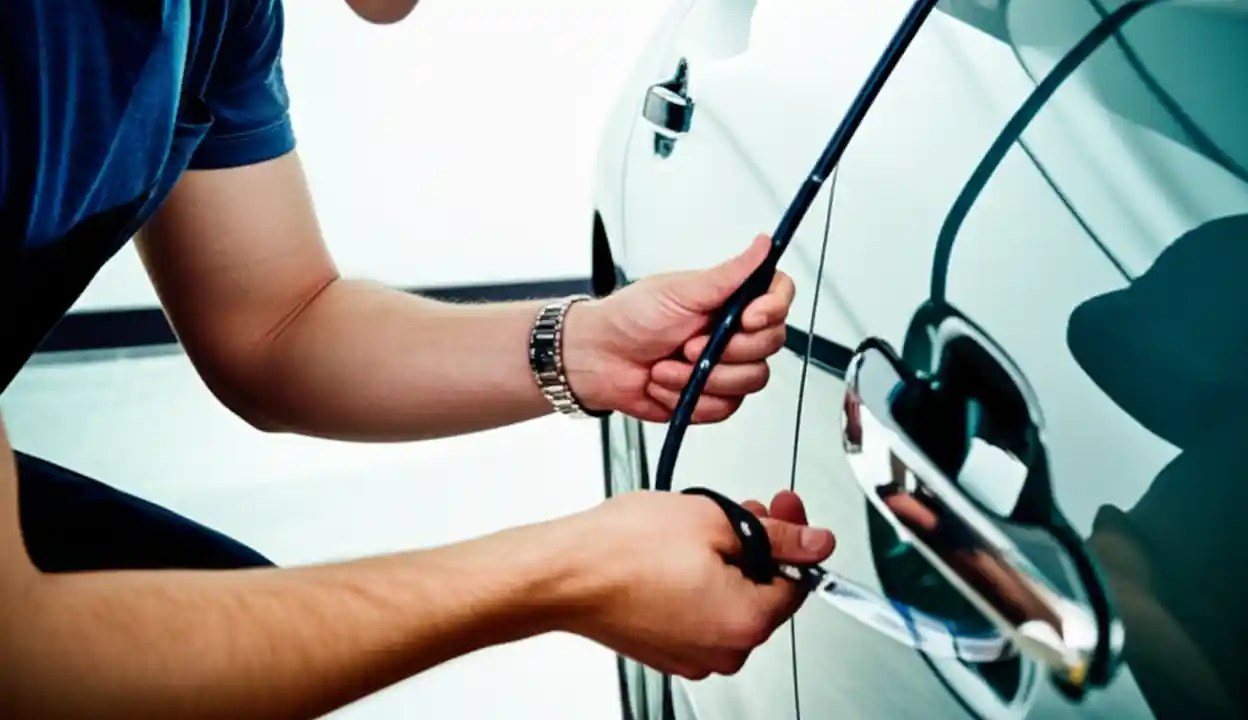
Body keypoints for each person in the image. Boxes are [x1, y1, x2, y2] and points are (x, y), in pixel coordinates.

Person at [0, 1, 836, 718]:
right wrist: (569, 573)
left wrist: (584, 348)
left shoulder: (222, 16)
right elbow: (24, 657)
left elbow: (274, 324)